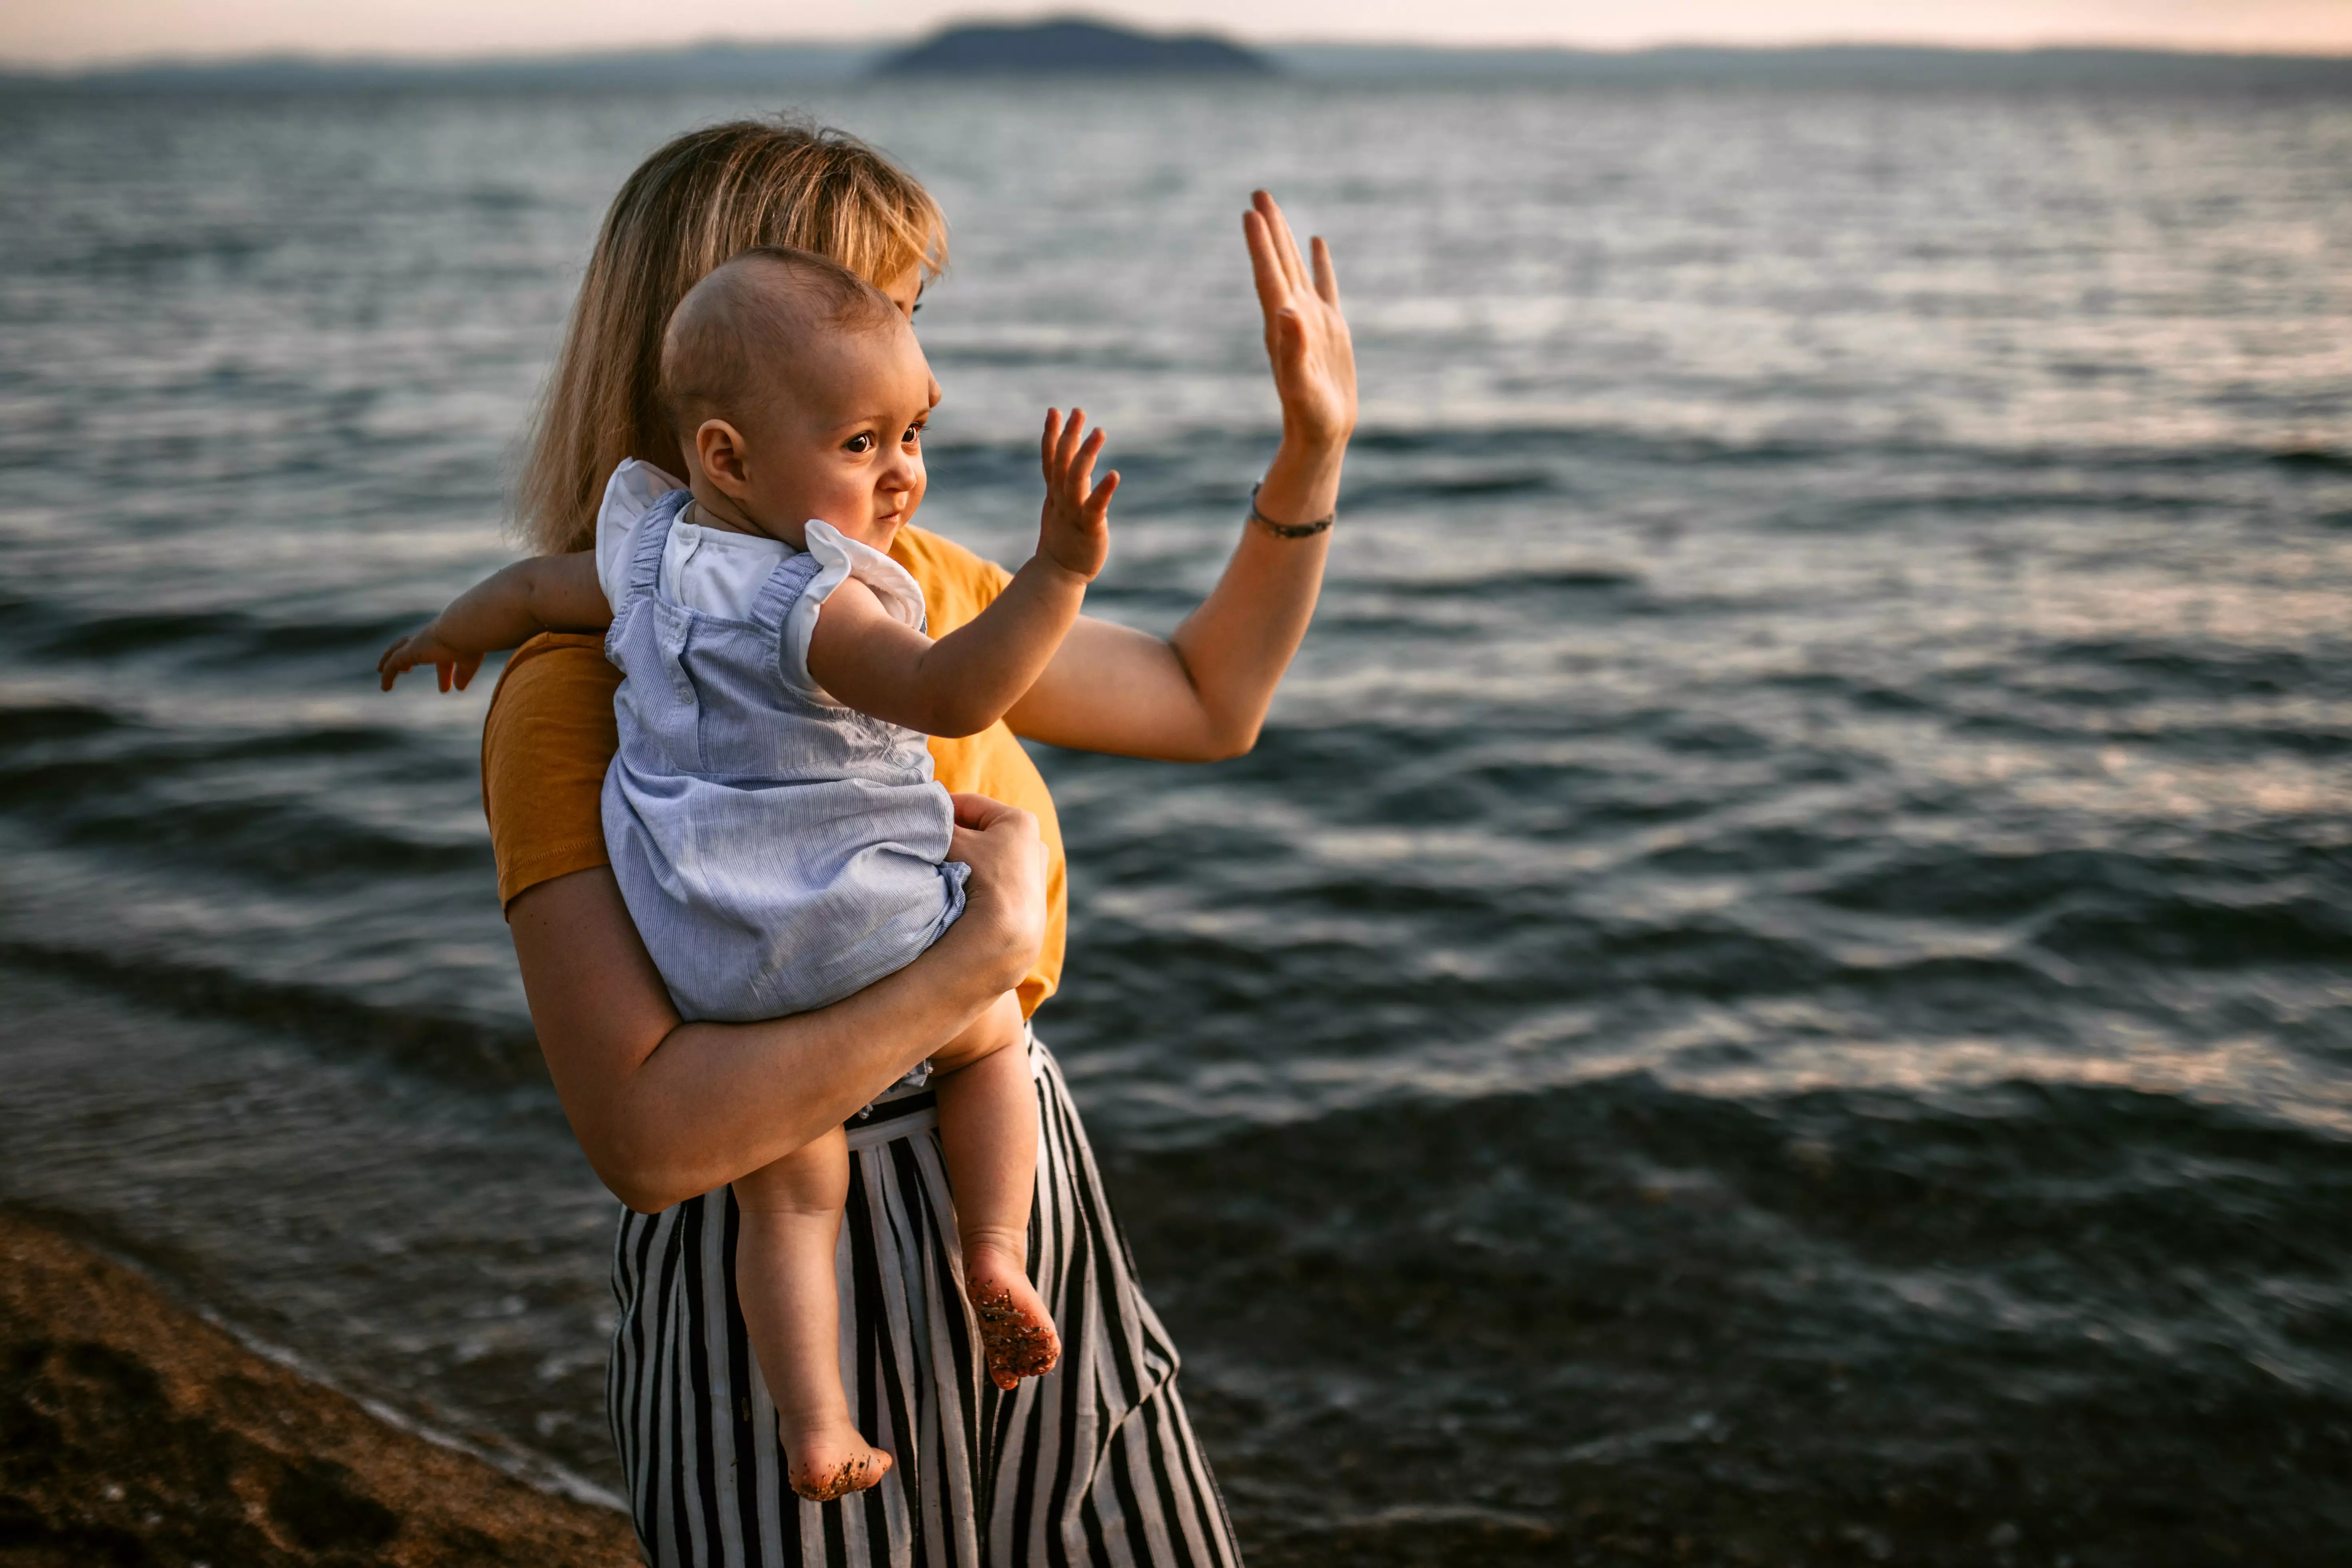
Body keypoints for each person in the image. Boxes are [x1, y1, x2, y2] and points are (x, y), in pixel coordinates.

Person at [463, 119, 1352, 1568]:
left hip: (1015, 1193)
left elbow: (1205, 699)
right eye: (870, 320)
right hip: (776, 1256)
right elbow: (648, 1137)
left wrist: (1311, 455)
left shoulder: (916, 590)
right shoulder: (578, 686)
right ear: (720, 397)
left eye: (911, 325)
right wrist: (976, 961)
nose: (908, 375)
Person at [379, 243, 1128, 1500]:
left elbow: (528, 590)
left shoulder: (651, 556)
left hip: (722, 960)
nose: (904, 473)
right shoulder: (811, 600)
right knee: (990, 1039)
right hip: (870, 922)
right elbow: (951, 686)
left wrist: (449, 633)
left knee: (790, 1200)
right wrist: (1057, 571)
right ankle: (995, 1251)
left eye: (914, 432)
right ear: (727, 454)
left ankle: (814, 1423)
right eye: (860, 442)